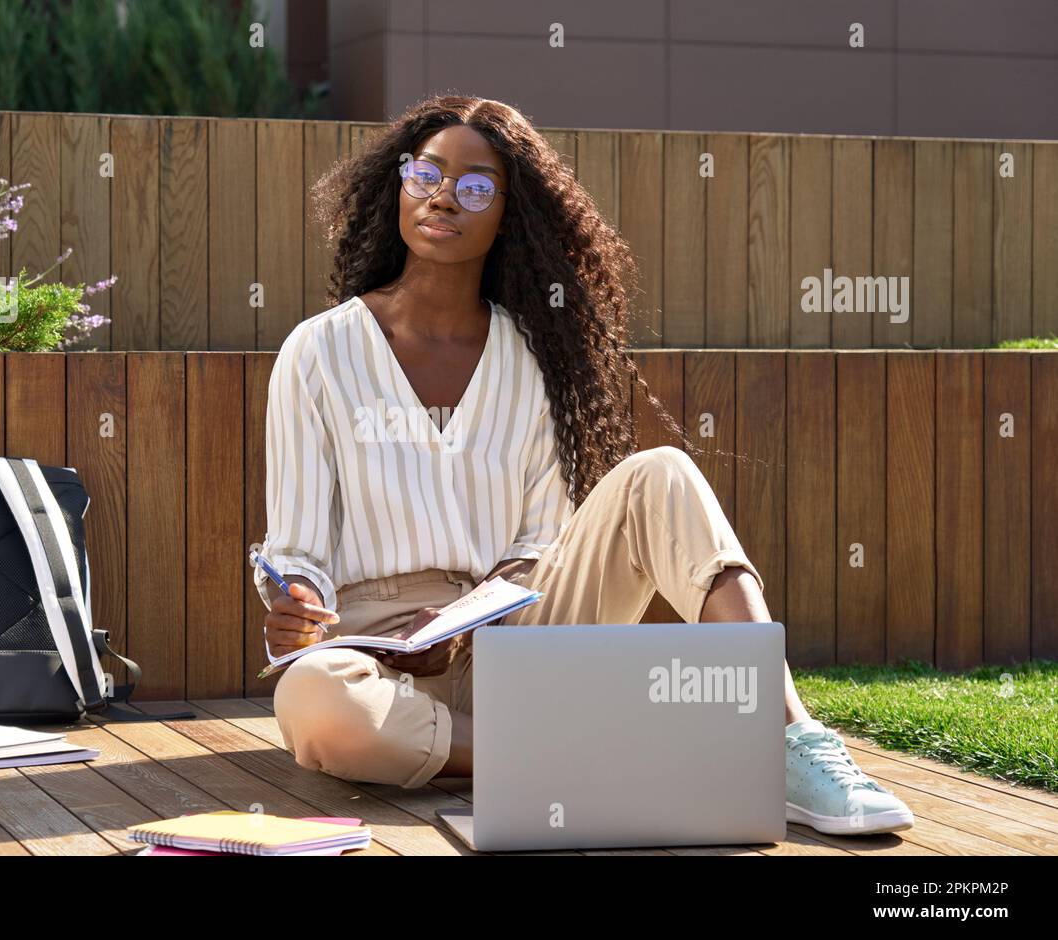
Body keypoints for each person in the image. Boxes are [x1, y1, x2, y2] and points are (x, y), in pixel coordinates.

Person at [251, 94, 913, 837]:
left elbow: (539, 544)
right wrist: (295, 602)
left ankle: (790, 741)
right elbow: (298, 548)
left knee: (662, 473)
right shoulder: (319, 351)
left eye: (474, 186)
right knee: (313, 699)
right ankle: (597, 755)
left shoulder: (532, 358)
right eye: (426, 173)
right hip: (381, 657)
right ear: (397, 183)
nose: (442, 195)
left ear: (510, 214)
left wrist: (469, 620)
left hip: (513, 639)